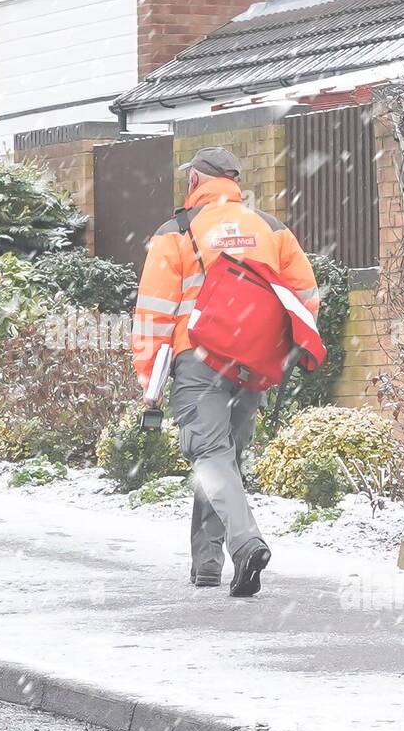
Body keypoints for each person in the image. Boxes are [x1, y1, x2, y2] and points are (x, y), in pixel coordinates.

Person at [132, 146, 321, 597]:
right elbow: (307, 298)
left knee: (209, 452)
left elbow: (153, 313)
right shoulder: (272, 229)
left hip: (197, 359)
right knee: (222, 457)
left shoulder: (176, 232)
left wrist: (150, 381)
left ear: (195, 181)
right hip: (252, 363)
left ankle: (246, 544)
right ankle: (206, 565)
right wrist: (273, 347)